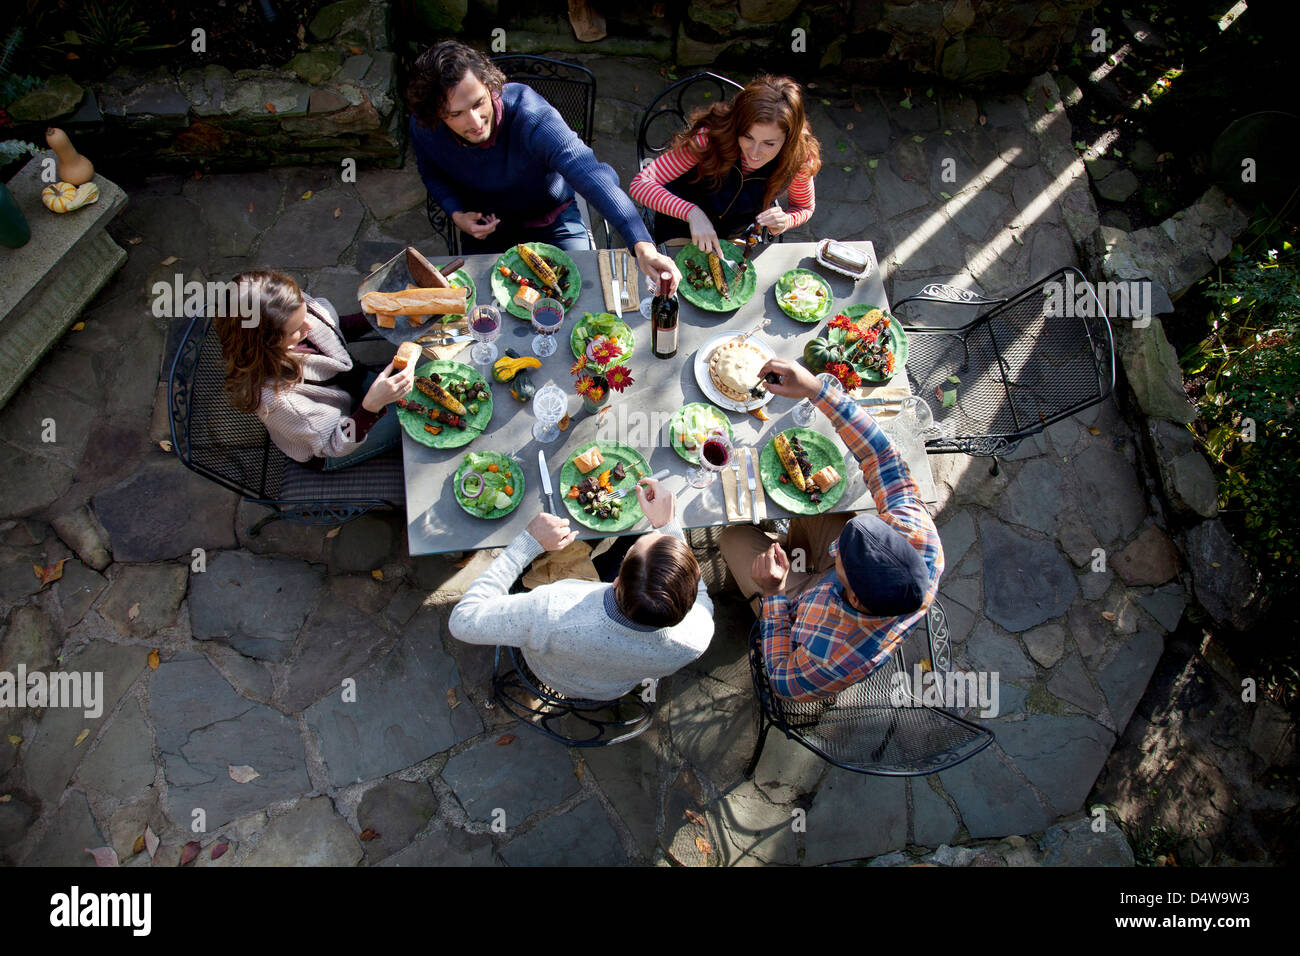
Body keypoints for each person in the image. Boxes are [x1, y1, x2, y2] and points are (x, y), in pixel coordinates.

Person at [718, 359, 944, 702]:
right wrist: (817, 389)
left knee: (731, 536)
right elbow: (880, 456)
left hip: (798, 612)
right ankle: (796, 553)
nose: (837, 547)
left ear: (852, 596)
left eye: (841, 554)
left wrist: (775, 594)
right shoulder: (918, 537)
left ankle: (786, 569)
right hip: (833, 582)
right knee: (814, 504)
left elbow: (781, 678)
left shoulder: (829, 660)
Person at [407, 40, 680, 291]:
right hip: (487, 228)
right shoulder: (425, 129)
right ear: (436, 114)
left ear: (490, 86)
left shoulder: (529, 114)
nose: (476, 122)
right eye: (456, 114)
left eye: (479, 103)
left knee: (582, 291)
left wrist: (642, 244)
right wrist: (455, 212)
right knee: (478, 309)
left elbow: (587, 171)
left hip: (552, 219)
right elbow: (432, 174)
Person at [448, 478, 713, 700]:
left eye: (630, 555)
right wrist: (668, 526)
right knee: (634, 536)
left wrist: (526, 545)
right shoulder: (697, 636)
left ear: (617, 581)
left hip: (551, 673)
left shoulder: (553, 608)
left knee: (537, 569)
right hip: (611, 688)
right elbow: (702, 596)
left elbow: (462, 621)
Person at [213, 270, 414, 470]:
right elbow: (336, 443)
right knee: (419, 419)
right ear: (266, 343)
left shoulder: (291, 309)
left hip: (351, 388)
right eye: (295, 330)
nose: (308, 324)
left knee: (423, 391)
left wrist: (379, 314)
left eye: (305, 314)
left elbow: (332, 331)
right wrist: (371, 405)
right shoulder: (278, 401)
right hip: (334, 441)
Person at [628, 75, 822, 258]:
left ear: (788, 139)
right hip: (681, 227)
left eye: (769, 144)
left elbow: (804, 207)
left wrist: (785, 221)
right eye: (748, 137)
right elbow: (640, 185)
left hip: (734, 237)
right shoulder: (709, 140)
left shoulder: (799, 158)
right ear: (737, 126)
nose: (754, 153)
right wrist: (691, 213)